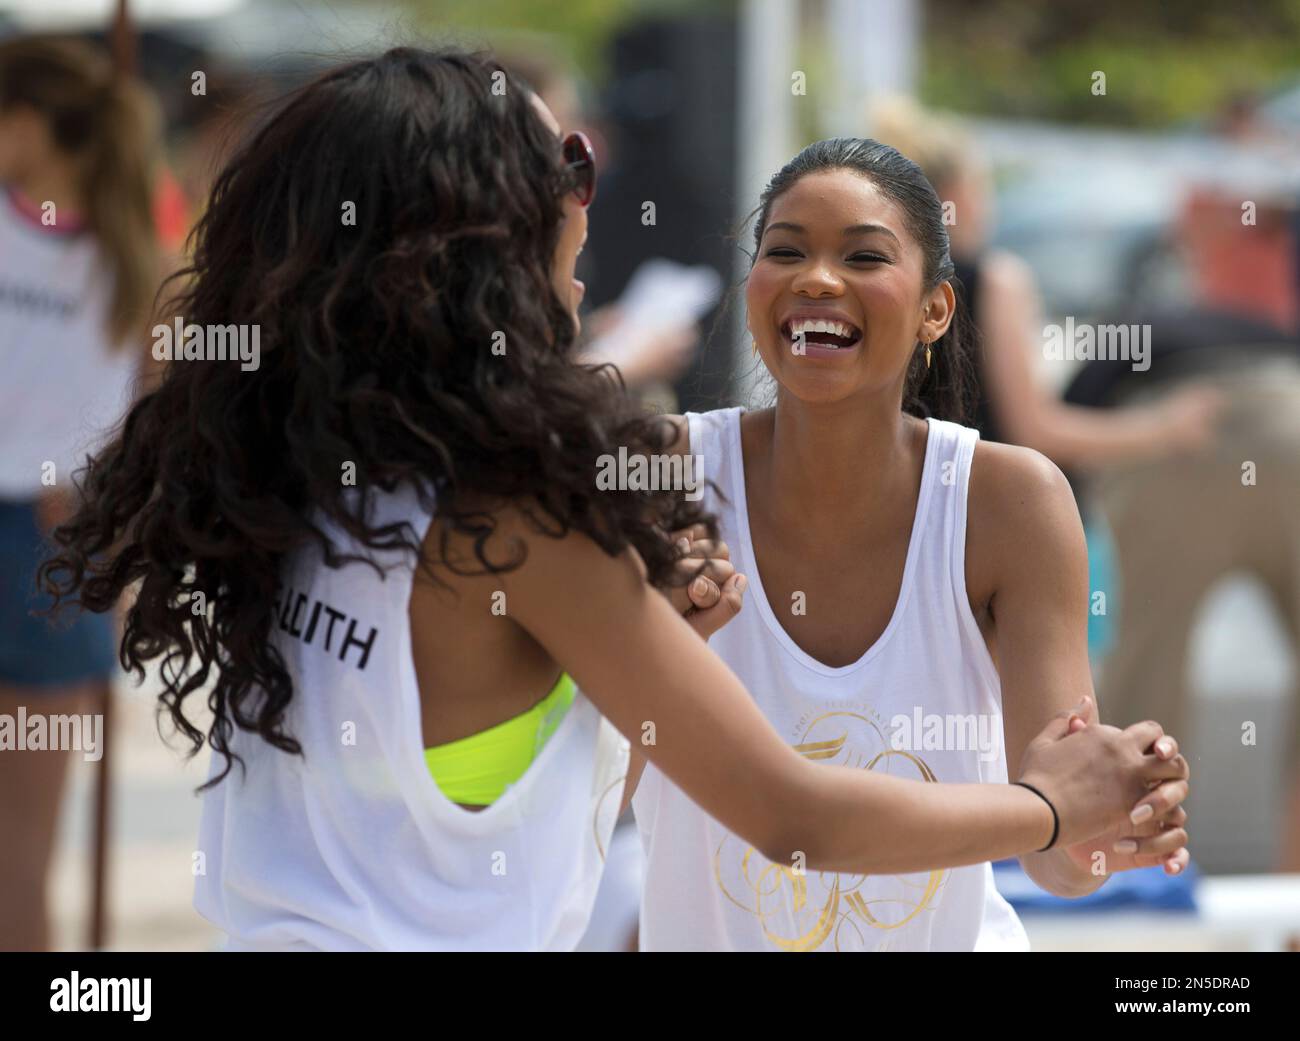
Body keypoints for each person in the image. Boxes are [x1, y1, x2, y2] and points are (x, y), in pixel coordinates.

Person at [41, 49, 1188, 952]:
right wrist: (1044, 805)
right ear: (476, 230)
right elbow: (793, 818)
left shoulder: (293, 467)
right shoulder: (523, 521)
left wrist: (621, 669)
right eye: (569, 167)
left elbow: (459, 768)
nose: (593, 195)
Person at [631, 138, 1191, 952]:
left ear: (936, 309)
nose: (816, 278)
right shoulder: (657, 473)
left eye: (863, 256)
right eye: (784, 250)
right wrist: (656, 661)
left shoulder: (1011, 502)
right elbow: (595, 795)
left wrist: (1122, 813)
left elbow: (1068, 860)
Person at [0, 35, 160, 951]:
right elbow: (149, 417)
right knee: (22, 859)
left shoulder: (131, 250)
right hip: (61, 547)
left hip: (53, 546)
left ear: (25, 121)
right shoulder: (135, 250)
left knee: (19, 863)